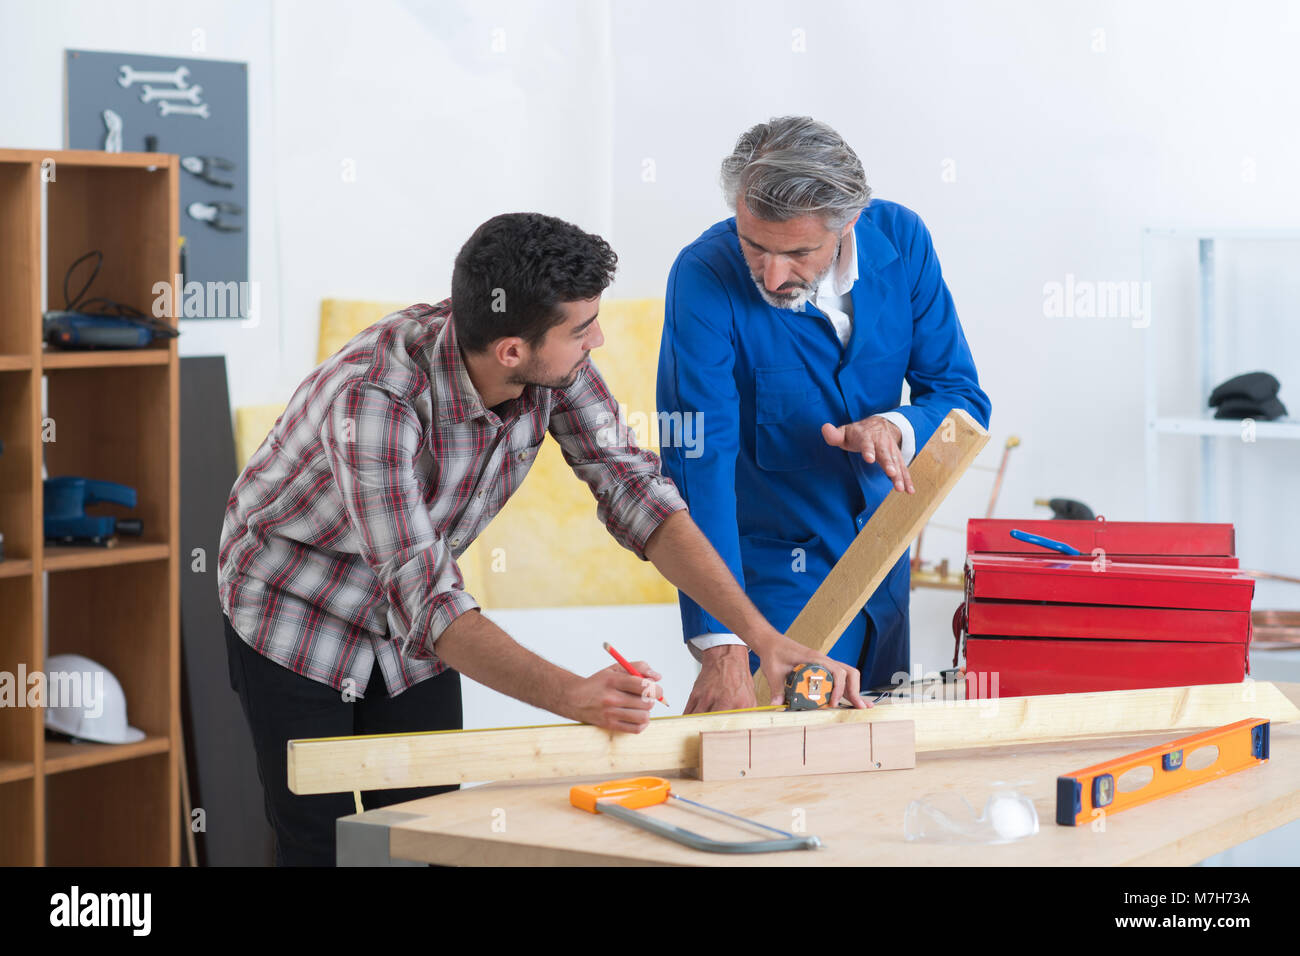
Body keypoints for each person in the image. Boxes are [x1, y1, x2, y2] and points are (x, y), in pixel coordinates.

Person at [217, 211, 863, 865]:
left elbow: (640, 497)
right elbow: (428, 599)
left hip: (411, 613)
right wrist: (570, 695)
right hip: (297, 610)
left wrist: (766, 642)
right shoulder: (374, 401)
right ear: (512, 351)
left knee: (424, 828)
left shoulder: (554, 363)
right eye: (583, 330)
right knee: (320, 843)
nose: (600, 339)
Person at [657, 117, 992, 713]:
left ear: (849, 222)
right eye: (753, 245)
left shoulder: (904, 241)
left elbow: (961, 397)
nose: (772, 274)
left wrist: (896, 424)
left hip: (883, 569)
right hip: (772, 589)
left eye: (798, 252)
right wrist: (725, 644)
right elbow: (696, 462)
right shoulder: (703, 275)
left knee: (875, 762)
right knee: (776, 770)